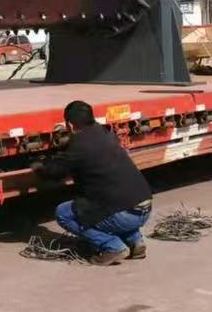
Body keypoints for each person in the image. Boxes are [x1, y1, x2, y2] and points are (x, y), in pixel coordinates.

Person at [33, 100, 153, 265]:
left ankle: (113, 247)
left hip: (123, 214)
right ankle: (136, 242)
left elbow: (55, 173)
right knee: (111, 203)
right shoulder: (105, 133)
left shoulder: (80, 146)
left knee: (64, 213)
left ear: (69, 125)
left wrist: (38, 166)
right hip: (144, 207)